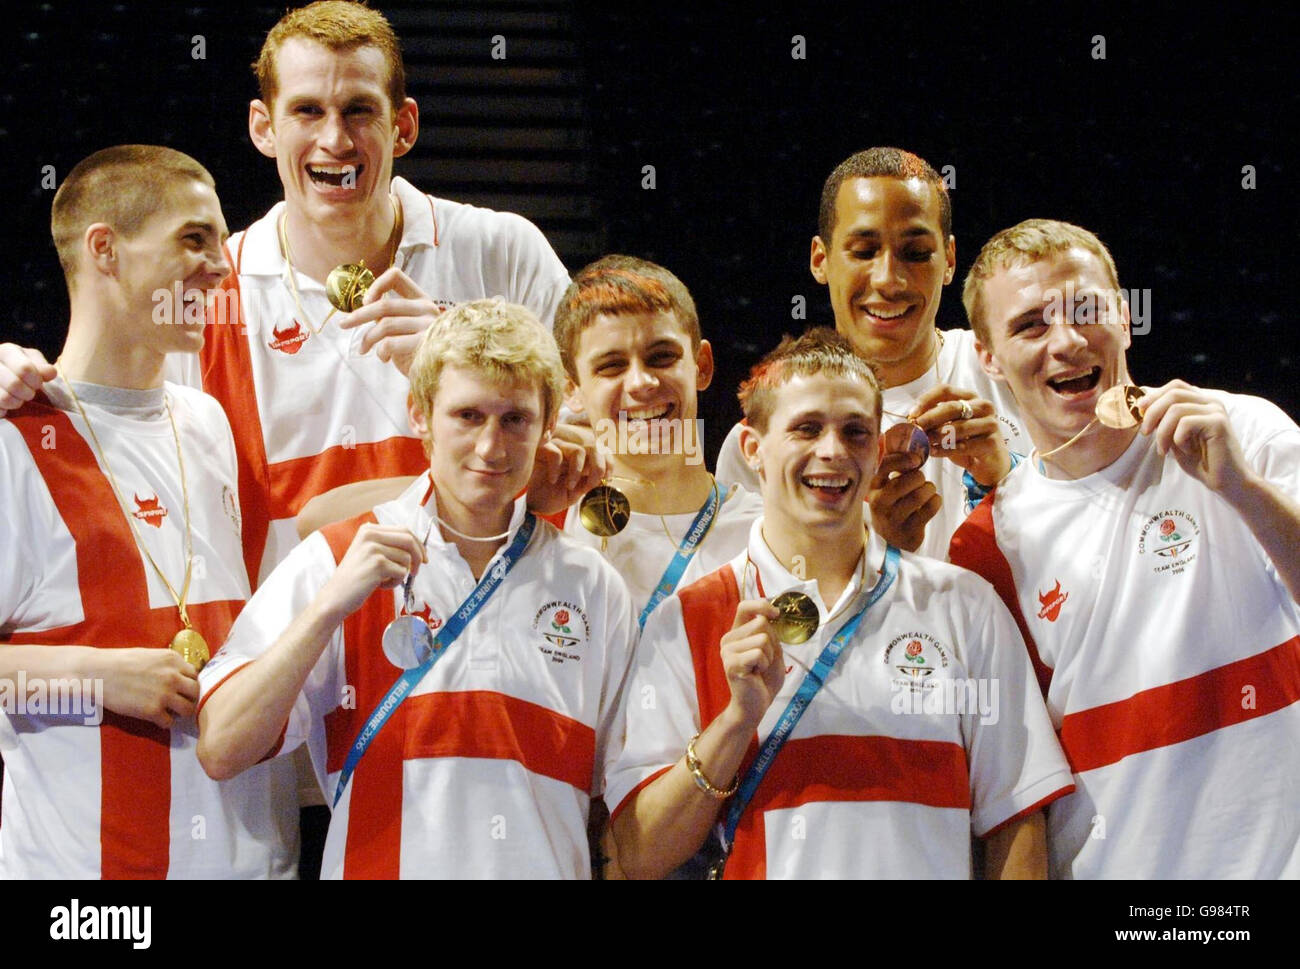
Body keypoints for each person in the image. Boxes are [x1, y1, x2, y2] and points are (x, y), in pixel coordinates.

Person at [0, 0, 574, 588]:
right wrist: (14, 377)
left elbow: (595, 442)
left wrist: (468, 364)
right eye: (307, 111)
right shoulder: (207, 286)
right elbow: (112, 426)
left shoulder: (503, 252)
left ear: (403, 126)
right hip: (291, 664)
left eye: (358, 111)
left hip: (489, 641)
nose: (335, 139)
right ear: (263, 127)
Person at [608, 328, 1072, 879]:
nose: (832, 451)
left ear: (877, 452)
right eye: (807, 428)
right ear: (753, 449)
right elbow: (634, 858)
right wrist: (736, 722)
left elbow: (1015, 822)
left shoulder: (964, 606)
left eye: (855, 432)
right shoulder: (683, 622)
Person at [196, 299, 638, 878]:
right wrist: (328, 609)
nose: (490, 447)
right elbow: (222, 747)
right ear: (419, 414)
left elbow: (619, 797)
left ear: (548, 423)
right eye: (467, 416)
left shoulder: (593, 586)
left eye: (515, 419)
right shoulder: (338, 558)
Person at [949, 218, 1300, 878]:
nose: (1068, 341)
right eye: (1030, 325)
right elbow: (1012, 794)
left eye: (1088, 310)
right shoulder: (986, 547)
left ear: (1125, 316)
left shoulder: (1245, 430)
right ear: (988, 356)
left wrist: (1244, 490)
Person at [0, 145, 297, 878]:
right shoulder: (15, 436)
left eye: (220, 242)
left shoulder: (209, 423)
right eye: (193, 239)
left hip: (253, 861)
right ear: (105, 249)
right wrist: (90, 675)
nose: (221, 266)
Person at [715, 147, 1026, 558]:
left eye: (915, 254)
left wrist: (1006, 477)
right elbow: (765, 602)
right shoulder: (762, 434)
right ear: (821, 260)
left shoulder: (1019, 371)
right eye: (863, 252)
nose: (888, 280)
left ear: (949, 261)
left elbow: (1093, 515)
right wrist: (873, 553)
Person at [552, 256, 763, 615]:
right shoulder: (543, 532)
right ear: (571, 387)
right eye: (611, 365)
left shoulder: (766, 536)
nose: (641, 383)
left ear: (702, 366)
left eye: (661, 357)